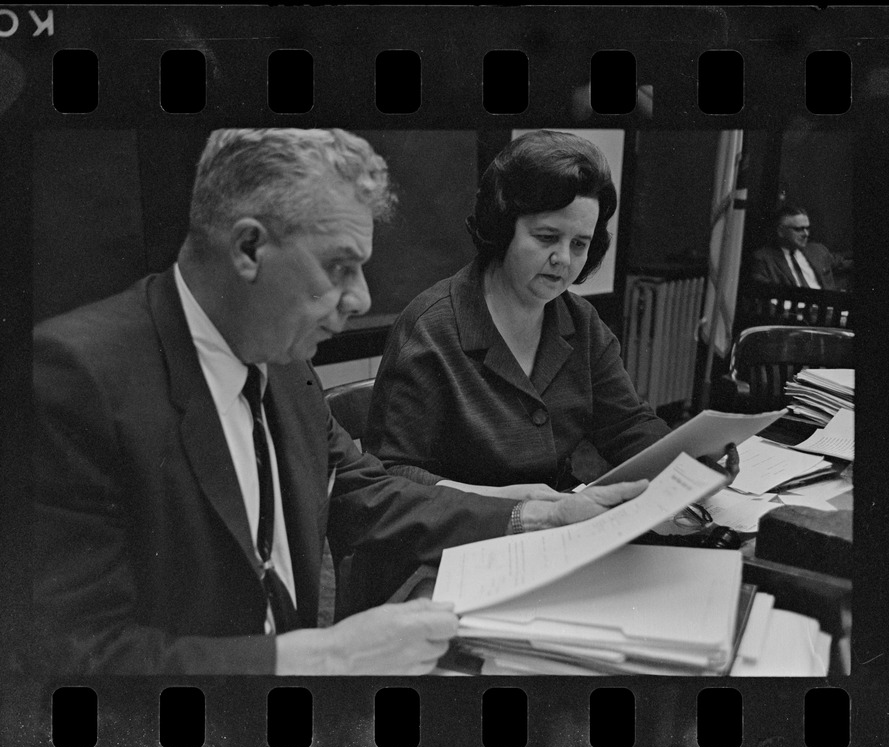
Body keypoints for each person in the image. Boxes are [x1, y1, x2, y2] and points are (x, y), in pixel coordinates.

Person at [32, 128, 651, 676]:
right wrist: (327, 657)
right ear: (248, 249)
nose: (359, 300)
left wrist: (542, 516)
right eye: (340, 267)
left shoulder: (283, 359)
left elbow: (364, 493)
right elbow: (71, 658)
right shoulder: (75, 378)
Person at [363, 129, 674, 498]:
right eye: (546, 237)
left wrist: (690, 459)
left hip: (553, 532)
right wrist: (511, 505)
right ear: (502, 226)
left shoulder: (582, 321)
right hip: (457, 538)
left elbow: (628, 425)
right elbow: (391, 474)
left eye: (579, 244)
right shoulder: (431, 328)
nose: (563, 259)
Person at [751, 202, 853, 291]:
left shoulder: (818, 250)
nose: (806, 234)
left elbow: (844, 264)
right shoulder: (763, 259)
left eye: (807, 228)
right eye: (799, 229)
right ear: (781, 231)